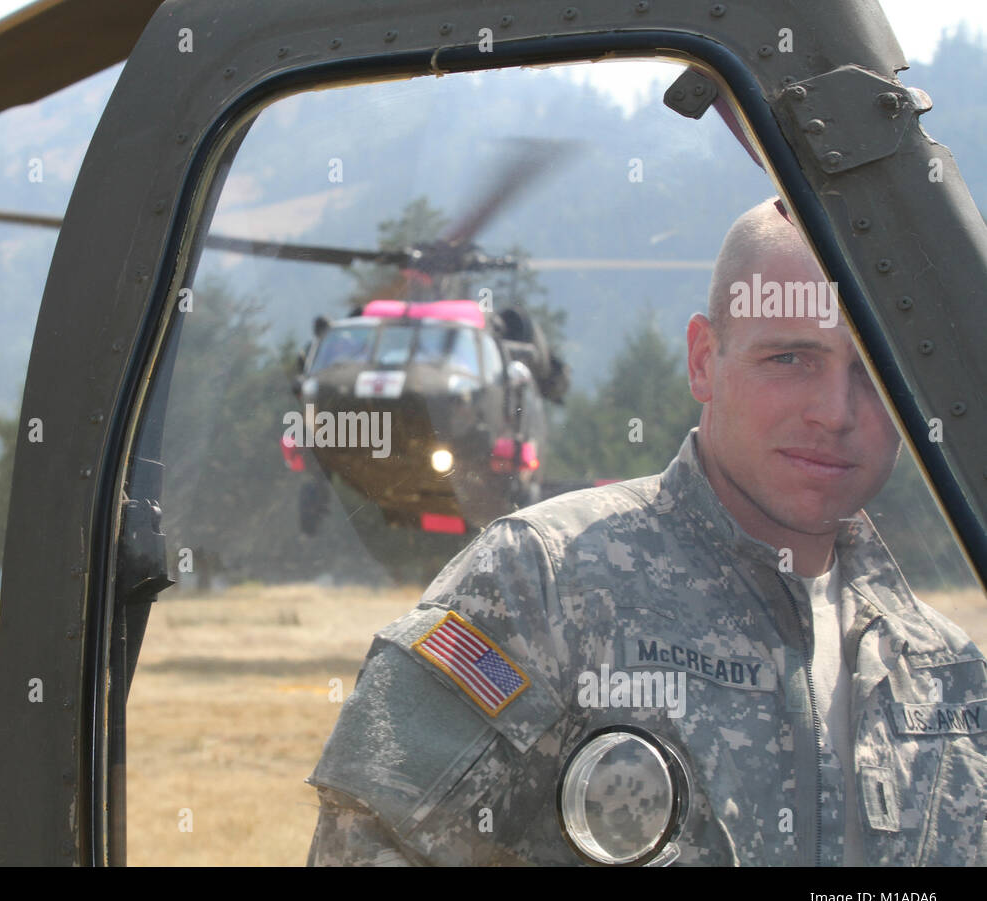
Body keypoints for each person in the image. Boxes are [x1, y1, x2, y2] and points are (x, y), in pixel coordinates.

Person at [305, 197, 987, 866]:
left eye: (874, 372)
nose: (835, 412)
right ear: (702, 359)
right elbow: (365, 848)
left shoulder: (949, 673)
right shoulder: (539, 582)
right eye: (791, 359)